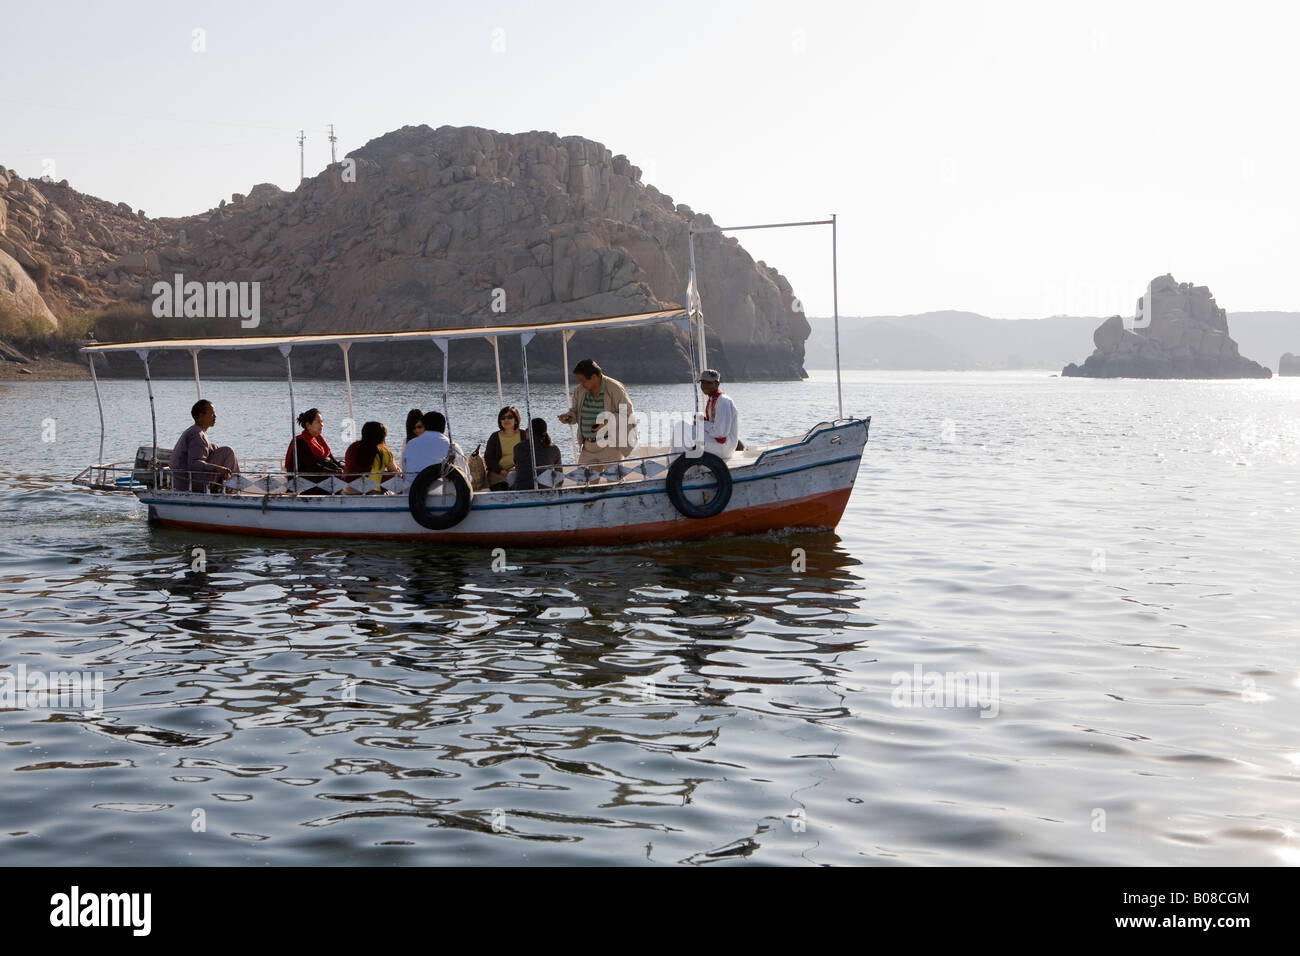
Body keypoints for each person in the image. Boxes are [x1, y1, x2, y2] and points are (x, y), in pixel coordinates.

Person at [556, 358, 636, 465]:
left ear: (594, 377)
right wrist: (569, 417)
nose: (581, 383)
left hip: (611, 445)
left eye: (583, 380)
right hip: (588, 446)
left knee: (615, 479)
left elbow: (627, 415)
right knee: (583, 480)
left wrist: (607, 422)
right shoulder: (579, 391)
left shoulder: (615, 388)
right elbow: (575, 412)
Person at [168, 399, 240, 492]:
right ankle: (235, 489)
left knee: (217, 448)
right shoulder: (197, 434)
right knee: (227, 451)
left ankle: (231, 487)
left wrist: (213, 448)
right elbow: (194, 464)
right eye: (211, 414)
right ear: (201, 416)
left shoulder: (194, 431)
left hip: (183, 482)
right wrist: (218, 468)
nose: (215, 416)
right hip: (189, 483)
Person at [284, 408, 342, 494]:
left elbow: (333, 460)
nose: (322, 425)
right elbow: (312, 466)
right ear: (308, 425)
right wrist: (335, 472)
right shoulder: (300, 442)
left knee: (345, 476)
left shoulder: (319, 440)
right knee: (337, 478)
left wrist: (344, 469)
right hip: (302, 481)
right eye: (318, 422)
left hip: (317, 478)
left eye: (322, 421)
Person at [343, 421, 397, 494]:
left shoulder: (352, 447)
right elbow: (395, 473)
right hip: (370, 492)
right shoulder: (383, 451)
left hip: (347, 491)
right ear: (382, 436)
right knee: (393, 491)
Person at [510, 418, 563, 491]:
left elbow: (518, 468)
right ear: (545, 433)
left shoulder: (517, 448)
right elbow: (559, 477)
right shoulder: (554, 449)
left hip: (523, 489)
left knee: (511, 476)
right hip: (546, 489)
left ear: (528, 432)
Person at [696, 369, 739, 459]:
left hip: (724, 447)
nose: (704, 386)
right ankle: (685, 464)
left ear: (717, 384)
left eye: (708, 383)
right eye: (703, 383)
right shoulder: (713, 400)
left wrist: (701, 423)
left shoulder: (723, 402)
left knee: (683, 431)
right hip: (719, 443)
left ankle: (681, 467)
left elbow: (720, 434)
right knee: (685, 428)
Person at [401, 410, 452, 476]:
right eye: (413, 428)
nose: (416, 430)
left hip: (413, 484)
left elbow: (405, 468)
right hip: (438, 483)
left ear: (424, 425)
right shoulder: (451, 446)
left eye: (419, 427)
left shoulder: (410, 444)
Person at [484, 405, 522, 491]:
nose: (506, 420)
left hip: (519, 472)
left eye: (509, 417)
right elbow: (488, 458)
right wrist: (502, 471)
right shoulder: (494, 437)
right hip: (498, 473)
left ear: (516, 420)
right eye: (503, 418)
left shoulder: (524, 435)